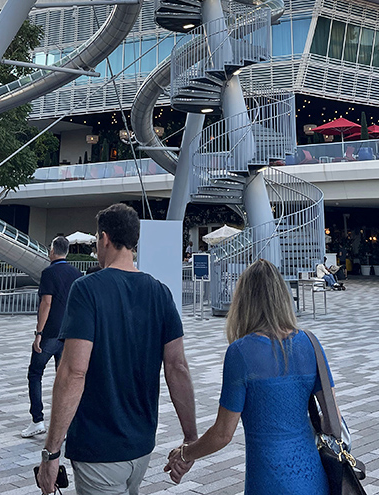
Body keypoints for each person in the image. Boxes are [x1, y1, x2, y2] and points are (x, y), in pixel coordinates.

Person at [37, 203, 197, 495]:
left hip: (98, 447)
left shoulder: (87, 289)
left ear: (105, 238)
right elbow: (177, 367)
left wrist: (51, 452)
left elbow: (73, 372)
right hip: (141, 445)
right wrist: (191, 439)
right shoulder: (160, 292)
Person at [165, 258, 341, 494]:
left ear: (243, 301)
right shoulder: (310, 343)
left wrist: (186, 453)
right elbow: (333, 419)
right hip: (313, 479)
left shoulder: (241, 353)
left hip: (268, 482)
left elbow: (223, 434)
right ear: (282, 297)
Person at [21, 235, 82, 438]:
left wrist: (39, 332)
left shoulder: (48, 273)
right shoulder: (76, 273)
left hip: (50, 333)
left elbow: (46, 303)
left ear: (52, 251)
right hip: (69, 332)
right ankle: (65, 424)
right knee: (64, 377)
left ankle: (37, 419)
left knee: (35, 373)